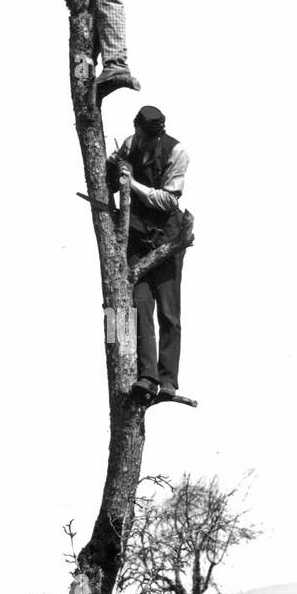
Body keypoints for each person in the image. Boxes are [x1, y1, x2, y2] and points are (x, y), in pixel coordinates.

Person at [107, 105, 189, 399]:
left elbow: (167, 200)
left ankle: (168, 381)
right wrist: (116, 169)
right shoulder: (130, 143)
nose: (140, 142)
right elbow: (110, 168)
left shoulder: (176, 153)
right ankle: (147, 376)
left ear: (158, 136)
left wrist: (134, 186)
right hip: (137, 238)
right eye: (137, 134)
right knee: (139, 306)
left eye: (145, 138)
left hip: (168, 238)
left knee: (169, 312)